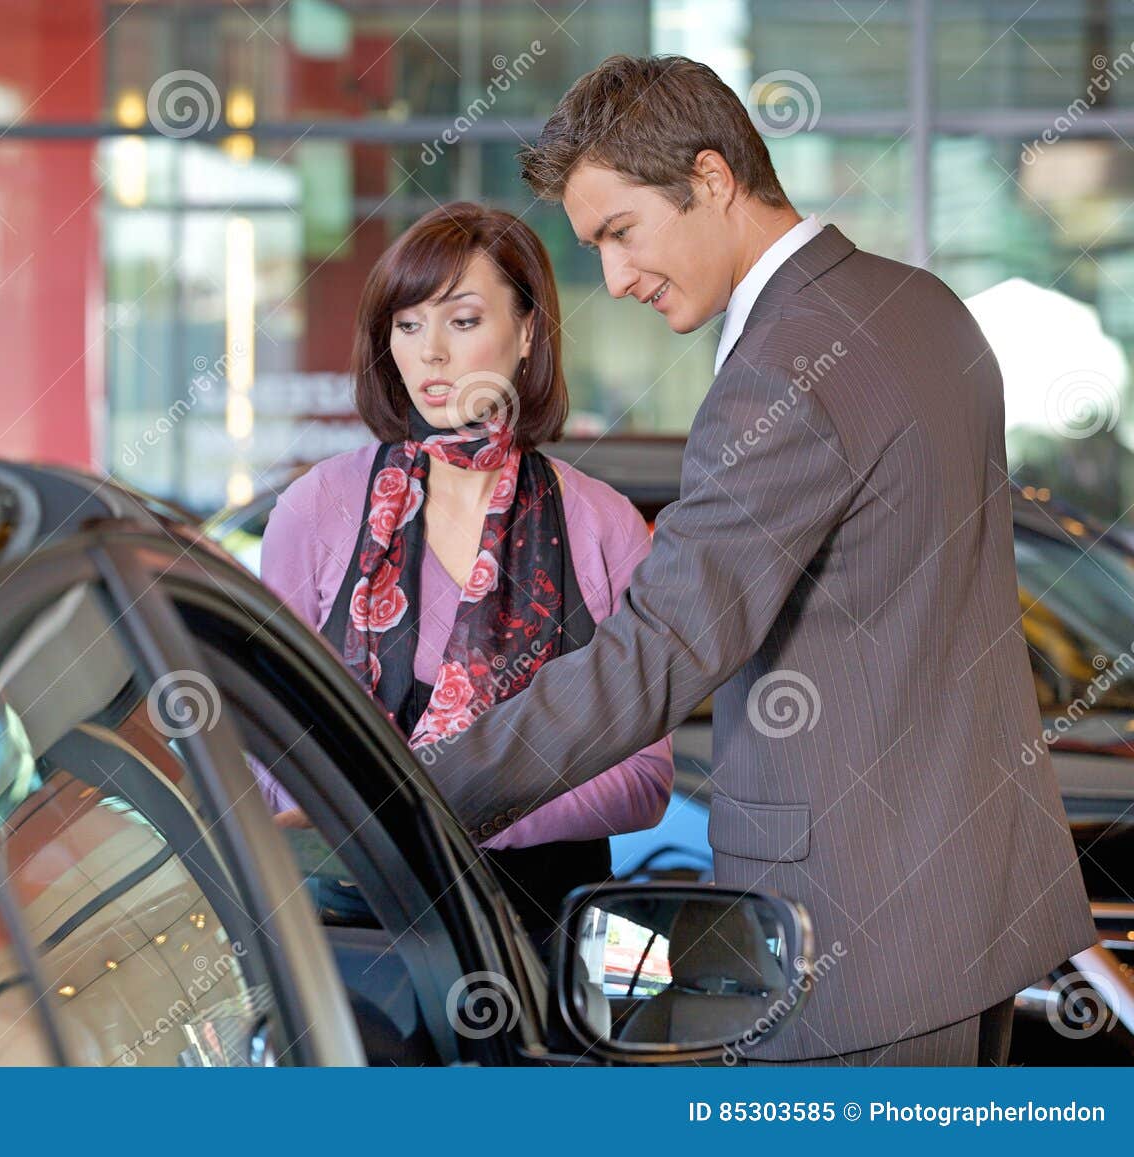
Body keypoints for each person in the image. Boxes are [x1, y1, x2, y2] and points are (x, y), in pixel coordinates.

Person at [416, 55, 1097, 1065]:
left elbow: (657, 647)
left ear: (711, 180)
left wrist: (416, 790)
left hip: (856, 947)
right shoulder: (922, 306)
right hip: (978, 911)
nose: (611, 278)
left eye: (618, 232)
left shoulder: (779, 374)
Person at [258, 201, 672, 949]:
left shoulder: (601, 524)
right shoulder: (316, 509)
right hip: (346, 942)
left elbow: (642, 778)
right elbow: (266, 746)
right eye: (408, 325)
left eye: (463, 319)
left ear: (526, 332)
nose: (431, 354)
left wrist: (437, 809)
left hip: (538, 948)